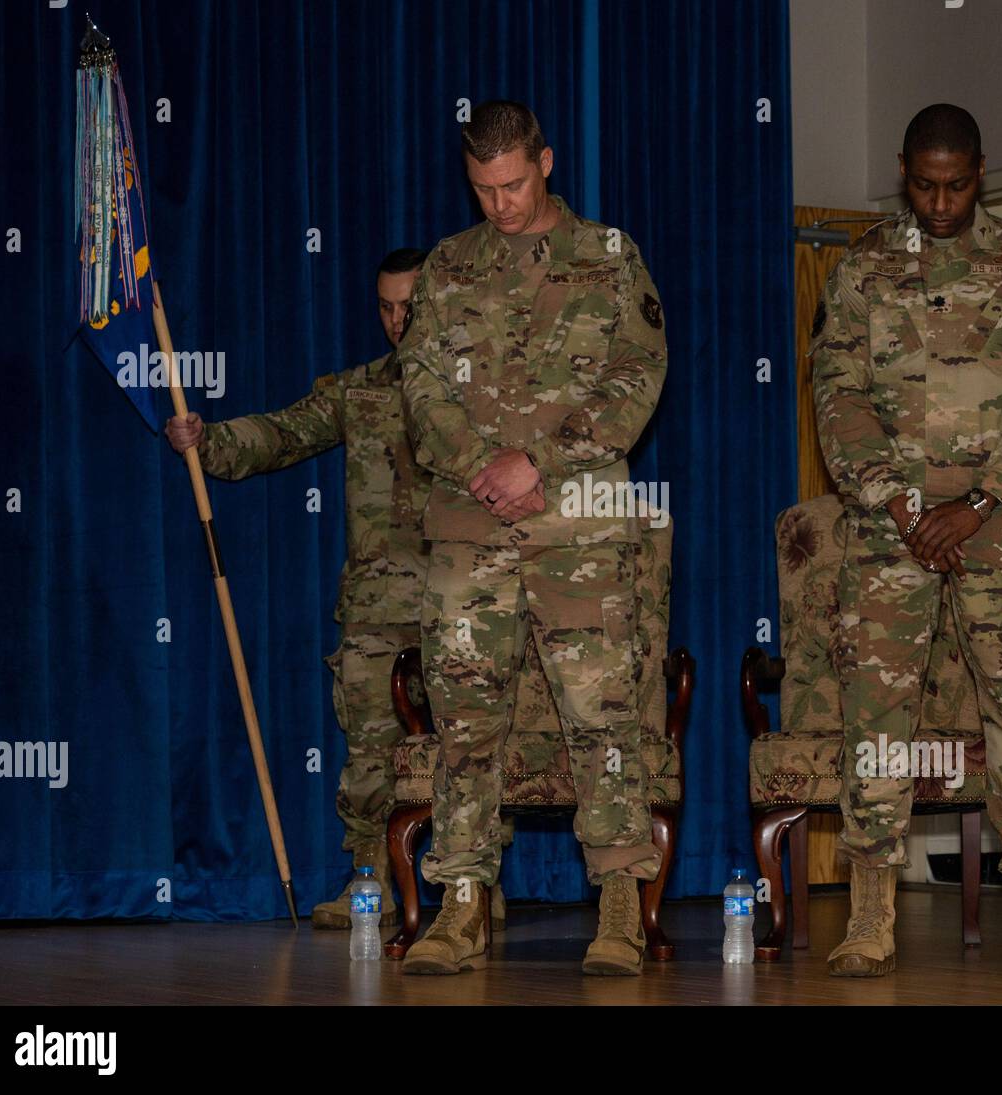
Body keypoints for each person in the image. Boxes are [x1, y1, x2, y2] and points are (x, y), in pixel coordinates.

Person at [810, 103, 1002, 979]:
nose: (938, 201)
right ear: (902, 171)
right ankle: (870, 912)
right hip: (891, 533)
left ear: (981, 171)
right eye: (924, 184)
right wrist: (899, 504)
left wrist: (981, 501)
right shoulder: (863, 270)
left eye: (956, 184)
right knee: (877, 719)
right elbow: (836, 397)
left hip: (999, 530)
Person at [398, 100, 667, 976]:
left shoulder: (610, 258)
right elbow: (421, 387)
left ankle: (621, 902)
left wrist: (539, 463)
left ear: (546, 162)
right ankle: (463, 902)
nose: (501, 204)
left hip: (578, 527)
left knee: (602, 714)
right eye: (483, 189)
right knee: (465, 721)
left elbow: (639, 379)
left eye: (513, 184)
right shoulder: (446, 267)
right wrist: (485, 463)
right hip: (470, 529)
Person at [165, 249, 442, 930]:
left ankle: (469, 892)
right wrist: (209, 440)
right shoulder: (360, 391)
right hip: (377, 608)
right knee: (373, 755)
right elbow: (285, 432)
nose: (397, 320)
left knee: (469, 757)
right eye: (385, 306)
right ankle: (370, 881)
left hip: (465, 607)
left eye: (410, 305)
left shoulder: (481, 393)